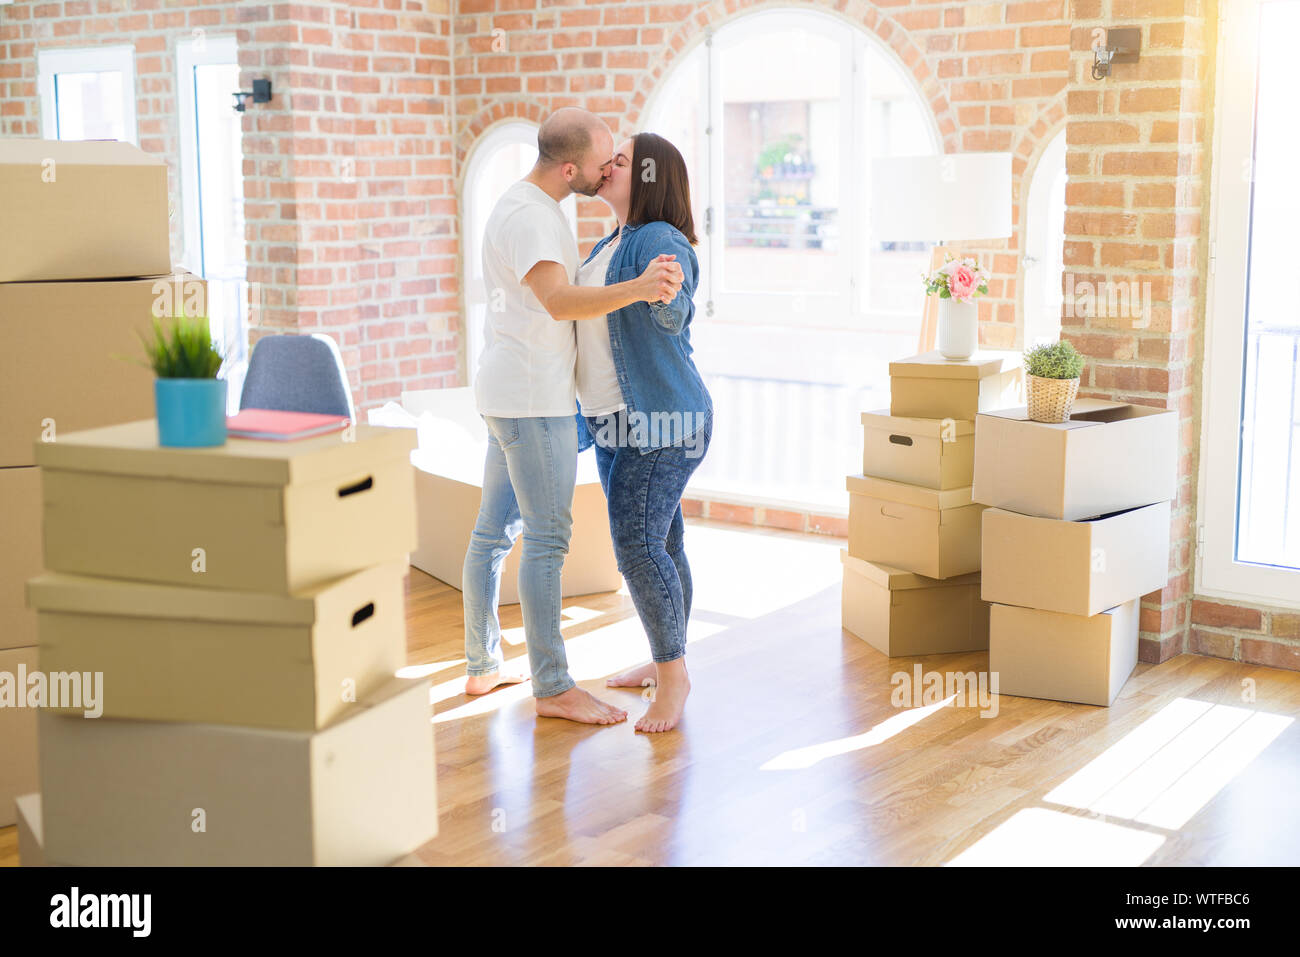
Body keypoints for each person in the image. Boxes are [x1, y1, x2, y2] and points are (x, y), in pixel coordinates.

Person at [461, 108, 683, 726]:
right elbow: (559, 303)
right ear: (569, 168)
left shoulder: (528, 206)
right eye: (601, 161)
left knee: (492, 534)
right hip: (533, 402)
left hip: (511, 393)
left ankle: (482, 664)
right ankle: (554, 685)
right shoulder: (534, 216)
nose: (608, 168)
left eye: (619, 160)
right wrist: (640, 288)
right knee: (548, 539)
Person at [578, 133, 713, 733]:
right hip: (618, 422)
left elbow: (672, 303)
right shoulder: (614, 239)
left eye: (623, 160)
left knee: (636, 547)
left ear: (651, 176)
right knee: (663, 543)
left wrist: (665, 296)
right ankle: (667, 658)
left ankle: (674, 674)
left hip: (660, 420)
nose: (609, 166)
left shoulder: (659, 240)